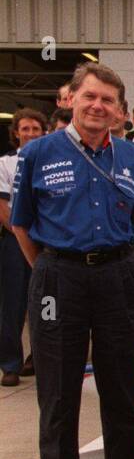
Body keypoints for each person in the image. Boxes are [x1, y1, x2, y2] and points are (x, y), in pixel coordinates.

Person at [8, 62, 134, 459]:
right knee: (57, 394)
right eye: (90, 96)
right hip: (59, 277)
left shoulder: (133, 157)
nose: (98, 106)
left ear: (119, 111)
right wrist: (52, 271)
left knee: (119, 388)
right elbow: (20, 225)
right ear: (70, 98)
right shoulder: (37, 153)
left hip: (117, 275)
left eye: (108, 101)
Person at [0, 108, 46, 384]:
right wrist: (22, 235)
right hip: (14, 242)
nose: (30, 134)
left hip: (48, 242)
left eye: (36, 129)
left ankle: (40, 361)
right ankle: (10, 364)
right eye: (25, 129)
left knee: (44, 304)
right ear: (16, 132)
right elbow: (4, 208)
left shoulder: (50, 161)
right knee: (12, 304)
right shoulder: (5, 164)